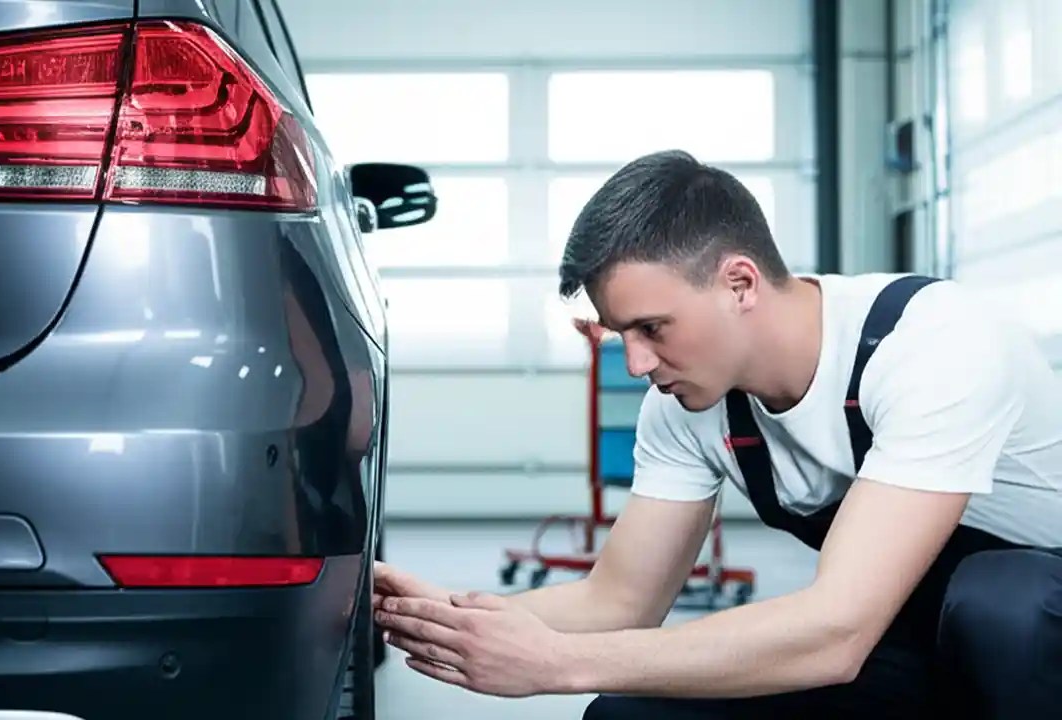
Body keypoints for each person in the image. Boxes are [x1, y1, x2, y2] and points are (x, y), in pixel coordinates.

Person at [371, 150, 1062, 719]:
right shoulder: (687, 406)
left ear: (739, 283)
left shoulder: (932, 342)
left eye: (651, 328)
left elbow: (837, 631)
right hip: (903, 630)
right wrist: (451, 616)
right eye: (622, 334)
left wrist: (556, 664)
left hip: (1028, 633)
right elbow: (620, 602)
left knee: (1001, 607)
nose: (635, 363)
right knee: (625, 716)